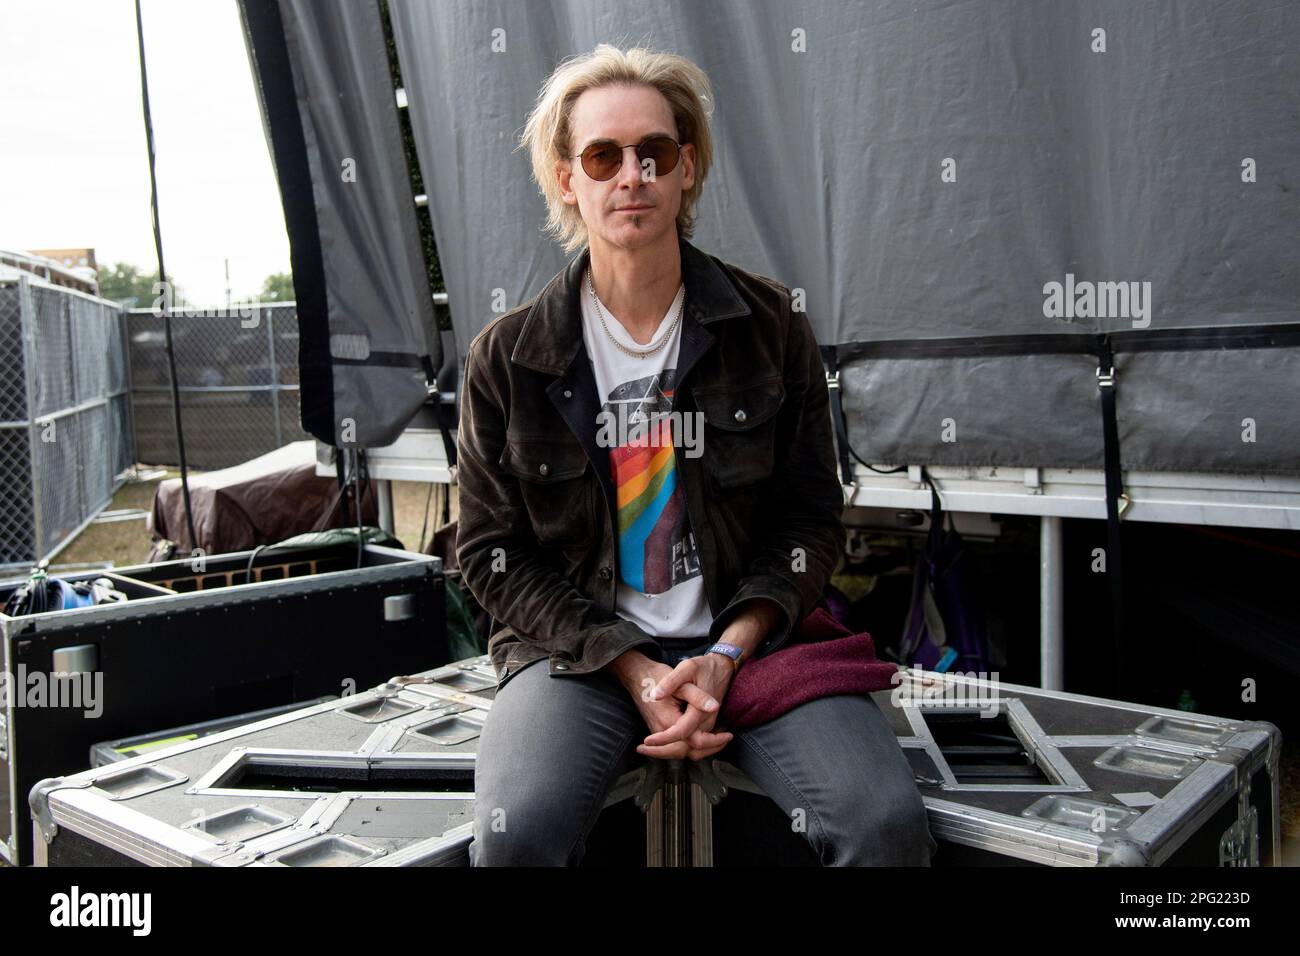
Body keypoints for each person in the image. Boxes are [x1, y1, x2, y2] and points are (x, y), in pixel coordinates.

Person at [455, 43, 937, 866]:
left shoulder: (770, 324)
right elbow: (491, 554)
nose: (631, 174)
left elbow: (809, 520)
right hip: (579, 659)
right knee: (517, 835)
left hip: (753, 646)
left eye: (656, 152)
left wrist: (726, 650)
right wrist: (630, 664)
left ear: (688, 169)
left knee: (884, 827)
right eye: (604, 155)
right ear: (568, 179)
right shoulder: (509, 356)